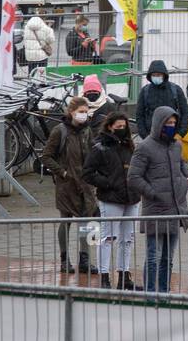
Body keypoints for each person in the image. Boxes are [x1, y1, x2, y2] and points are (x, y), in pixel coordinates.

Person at [127, 105, 188, 292]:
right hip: (156, 211)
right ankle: (150, 294)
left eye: (174, 123)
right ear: (159, 123)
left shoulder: (176, 146)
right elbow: (133, 178)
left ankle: (164, 293)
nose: (171, 126)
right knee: (153, 257)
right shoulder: (145, 147)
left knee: (168, 258)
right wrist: (153, 193)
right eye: (168, 123)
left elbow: (183, 165)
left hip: (175, 209)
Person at [40, 95, 99, 276]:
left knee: (87, 221)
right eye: (81, 112)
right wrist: (62, 173)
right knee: (66, 221)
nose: (84, 115)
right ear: (71, 112)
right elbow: (46, 156)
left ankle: (85, 258)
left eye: (86, 112)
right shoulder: (60, 131)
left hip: (86, 183)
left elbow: (92, 151)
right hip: (67, 184)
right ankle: (64, 259)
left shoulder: (87, 131)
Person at [82, 109, 140, 290]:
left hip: (131, 197)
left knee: (127, 239)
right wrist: (107, 183)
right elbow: (88, 173)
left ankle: (124, 275)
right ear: (110, 127)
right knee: (107, 238)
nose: (122, 129)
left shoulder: (129, 145)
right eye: (118, 127)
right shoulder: (99, 148)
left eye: (124, 126)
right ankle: (104, 276)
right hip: (111, 198)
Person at [135, 60, 188, 140]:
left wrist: (180, 134)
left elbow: (185, 113)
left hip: (172, 135)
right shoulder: (145, 91)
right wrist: (145, 136)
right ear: (150, 76)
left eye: (159, 75)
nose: (156, 77)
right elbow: (139, 115)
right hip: (151, 136)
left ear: (164, 75)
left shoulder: (175, 90)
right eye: (154, 75)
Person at [81, 73, 117, 142]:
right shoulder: (80, 105)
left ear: (99, 92)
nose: (92, 93)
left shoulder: (107, 106)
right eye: (89, 91)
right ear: (84, 93)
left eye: (94, 91)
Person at [22, 11, 54, 76]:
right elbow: (51, 40)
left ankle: (30, 83)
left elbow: (24, 37)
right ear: (44, 18)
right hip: (42, 54)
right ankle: (41, 84)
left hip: (30, 54)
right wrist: (49, 27)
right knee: (42, 73)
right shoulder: (45, 28)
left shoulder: (27, 26)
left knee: (31, 71)